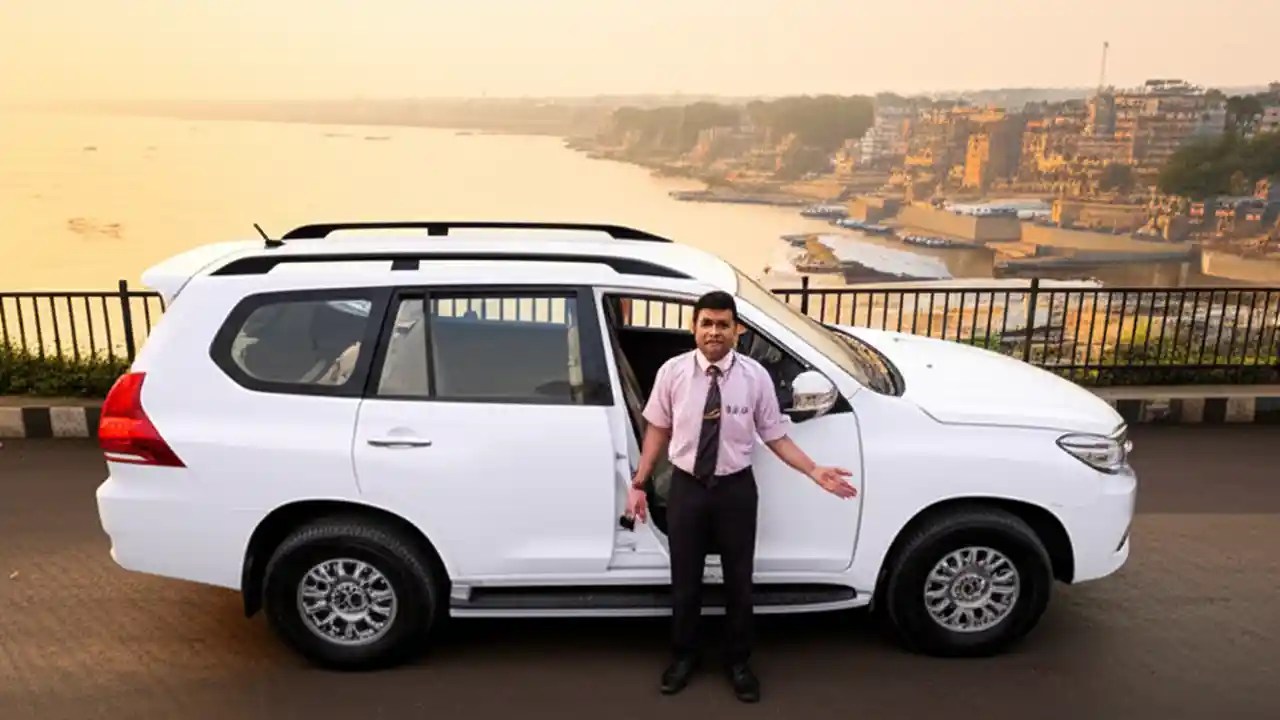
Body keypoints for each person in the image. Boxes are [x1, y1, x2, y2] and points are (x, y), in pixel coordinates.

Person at [626, 290, 856, 703]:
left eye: (723, 325)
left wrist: (814, 469)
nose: (714, 332)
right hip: (687, 487)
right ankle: (683, 656)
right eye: (707, 323)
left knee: (738, 582)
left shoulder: (754, 377)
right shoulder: (673, 373)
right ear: (693, 327)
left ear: (737, 330)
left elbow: (774, 435)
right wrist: (639, 482)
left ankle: (739, 663)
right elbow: (657, 429)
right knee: (684, 581)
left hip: (735, 489)